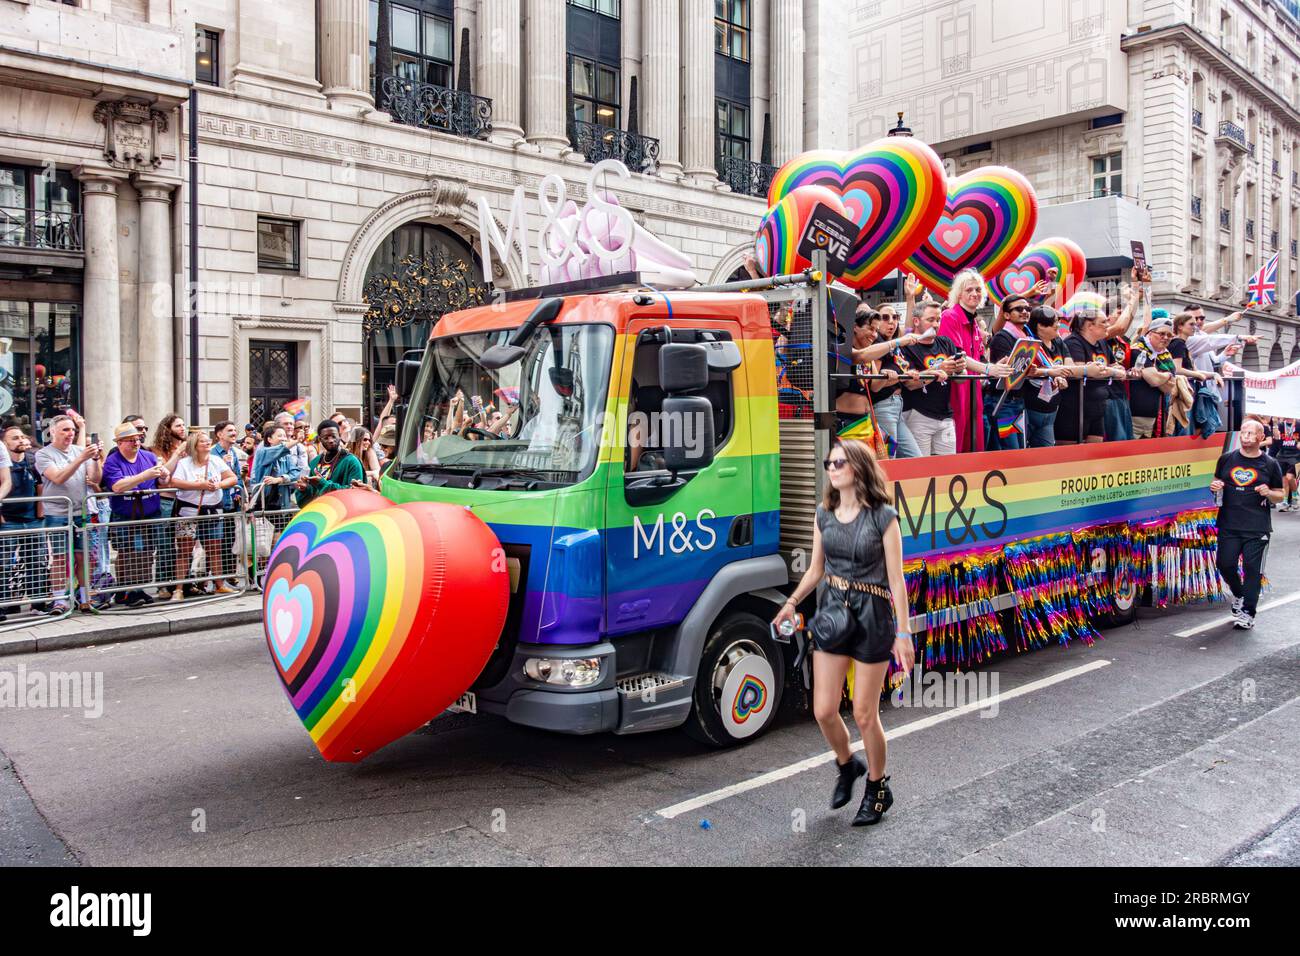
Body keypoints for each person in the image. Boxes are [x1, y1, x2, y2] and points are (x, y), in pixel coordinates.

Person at [772, 439, 914, 827]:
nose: (831, 468)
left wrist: (904, 633)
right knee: (823, 710)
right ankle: (847, 764)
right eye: (828, 463)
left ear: (858, 468)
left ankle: (877, 787)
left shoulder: (884, 517)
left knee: (865, 713)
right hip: (833, 612)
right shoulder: (825, 513)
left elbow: (897, 581)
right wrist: (792, 602)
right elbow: (816, 569)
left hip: (873, 617)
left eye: (839, 462)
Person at [1209, 419, 1284, 630]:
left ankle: (1248, 612)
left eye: (1251, 434)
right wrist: (1215, 486)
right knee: (1225, 564)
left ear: (1261, 438)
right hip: (1229, 523)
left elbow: (1280, 494)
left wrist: (1269, 493)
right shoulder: (1226, 459)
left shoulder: (1270, 464)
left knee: (1253, 570)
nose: (1246, 437)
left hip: (1257, 527)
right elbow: (1216, 483)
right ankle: (1239, 594)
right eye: (1243, 432)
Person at [35, 412, 103, 614]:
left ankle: (84, 598)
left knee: (84, 557)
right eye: (65, 429)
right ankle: (60, 600)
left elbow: (95, 478)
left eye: (73, 430)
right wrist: (81, 457)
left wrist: (96, 459)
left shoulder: (79, 450)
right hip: (57, 512)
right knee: (60, 557)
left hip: (80, 511)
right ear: (52, 432)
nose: (70, 434)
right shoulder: (44, 454)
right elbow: (58, 478)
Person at [100, 421, 168, 607]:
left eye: (137, 439)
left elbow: (162, 482)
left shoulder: (149, 456)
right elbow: (117, 486)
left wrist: (163, 475)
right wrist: (144, 476)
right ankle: (127, 590)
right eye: (130, 440)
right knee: (129, 552)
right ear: (119, 443)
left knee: (146, 551)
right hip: (126, 514)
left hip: (150, 512)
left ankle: (138, 588)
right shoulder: (113, 461)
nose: (135, 443)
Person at [168, 430, 238, 601]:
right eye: (202, 442)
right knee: (184, 550)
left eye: (208, 441)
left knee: (214, 549)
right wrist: (200, 485)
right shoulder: (185, 463)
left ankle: (219, 585)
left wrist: (219, 485)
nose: (207, 444)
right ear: (194, 445)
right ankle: (179, 589)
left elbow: (233, 478)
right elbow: (175, 482)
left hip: (213, 509)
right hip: (189, 511)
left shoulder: (215, 460)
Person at [1056, 308, 1125, 445]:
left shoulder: (1103, 343)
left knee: (1094, 453)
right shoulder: (1073, 342)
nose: (1108, 325)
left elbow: (1121, 371)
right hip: (1074, 409)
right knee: (1070, 455)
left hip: (1098, 407)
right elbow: (1083, 371)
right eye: (1103, 322)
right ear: (1089, 326)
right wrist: (1109, 371)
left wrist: (1110, 371)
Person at [899, 300, 960, 455]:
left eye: (938, 320)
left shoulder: (945, 342)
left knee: (948, 468)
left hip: (945, 415)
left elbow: (961, 379)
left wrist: (960, 369)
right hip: (918, 414)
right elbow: (910, 384)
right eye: (930, 320)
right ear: (916, 321)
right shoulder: (907, 346)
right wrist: (937, 369)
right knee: (920, 468)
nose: (935, 324)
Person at [0, 425, 49, 616]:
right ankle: (4, 603)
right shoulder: (3, 464)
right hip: (7, 520)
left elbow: (40, 487)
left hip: (32, 520)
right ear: (4, 444)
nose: (21, 440)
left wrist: (39, 515)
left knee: (36, 561)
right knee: (3, 563)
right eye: (14, 438)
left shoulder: (32, 460)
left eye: (22, 437)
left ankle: (38, 603)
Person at [867, 308, 922, 458]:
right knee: (887, 458)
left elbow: (909, 330)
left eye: (895, 317)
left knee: (915, 458)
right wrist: (902, 376)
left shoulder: (895, 346)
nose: (891, 321)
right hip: (883, 407)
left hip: (897, 407)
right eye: (885, 317)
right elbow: (874, 384)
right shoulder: (878, 343)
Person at [1021, 306, 1073, 448]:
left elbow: (1069, 367)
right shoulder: (1030, 343)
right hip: (1030, 409)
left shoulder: (1058, 342)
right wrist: (1051, 372)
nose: (1058, 325)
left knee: (1046, 454)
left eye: (1058, 320)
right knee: (1023, 453)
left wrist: (1061, 375)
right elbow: (1028, 371)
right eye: (1054, 322)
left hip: (1051, 411)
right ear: (1040, 326)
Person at [148, 414, 188, 597]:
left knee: (185, 543)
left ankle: (184, 583)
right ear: (168, 428)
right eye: (178, 425)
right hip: (165, 500)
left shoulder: (188, 448)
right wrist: (177, 454)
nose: (182, 428)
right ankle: (164, 584)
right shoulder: (155, 450)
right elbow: (163, 477)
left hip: (185, 499)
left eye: (183, 425)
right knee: (164, 543)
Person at [1127, 319, 1178, 439]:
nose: (1166, 337)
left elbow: (1169, 388)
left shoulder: (1166, 355)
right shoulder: (1138, 350)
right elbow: (1155, 380)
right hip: (1135, 414)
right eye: (1161, 334)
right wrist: (1168, 375)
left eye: (1169, 335)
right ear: (1150, 333)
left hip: (1156, 413)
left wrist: (1161, 377)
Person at [295, 421, 364, 508]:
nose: (331, 440)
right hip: (321, 514)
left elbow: (356, 492)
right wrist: (305, 489)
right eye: (326, 438)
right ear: (320, 439)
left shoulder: (351, 461)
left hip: (343, 513)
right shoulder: (315, 462)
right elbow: (307, 499)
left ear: (339, 435)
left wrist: (323, 484)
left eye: (333, 436)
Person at [251, 423, 303, 537]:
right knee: (262, 542)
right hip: (265, 502)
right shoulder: (262, 452)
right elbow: (279, 449)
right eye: (280, 436)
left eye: (285, 436)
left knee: (280, 537)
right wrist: (297, 440)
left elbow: (296, 472)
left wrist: (280, 479)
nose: (284, 438)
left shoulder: (287, 456)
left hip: (282, 502)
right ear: (269, 439)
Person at [211, 421, 246, 586]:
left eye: (235, 430)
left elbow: (237, 476)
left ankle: (230, 573)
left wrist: (240, 494)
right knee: (217, 540)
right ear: (219, 434)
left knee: (230, 538)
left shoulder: (233, 452)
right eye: (230, 430)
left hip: (232, 502)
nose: (234, 433)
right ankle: (213, 578)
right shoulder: (212, 453)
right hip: (217, 502)